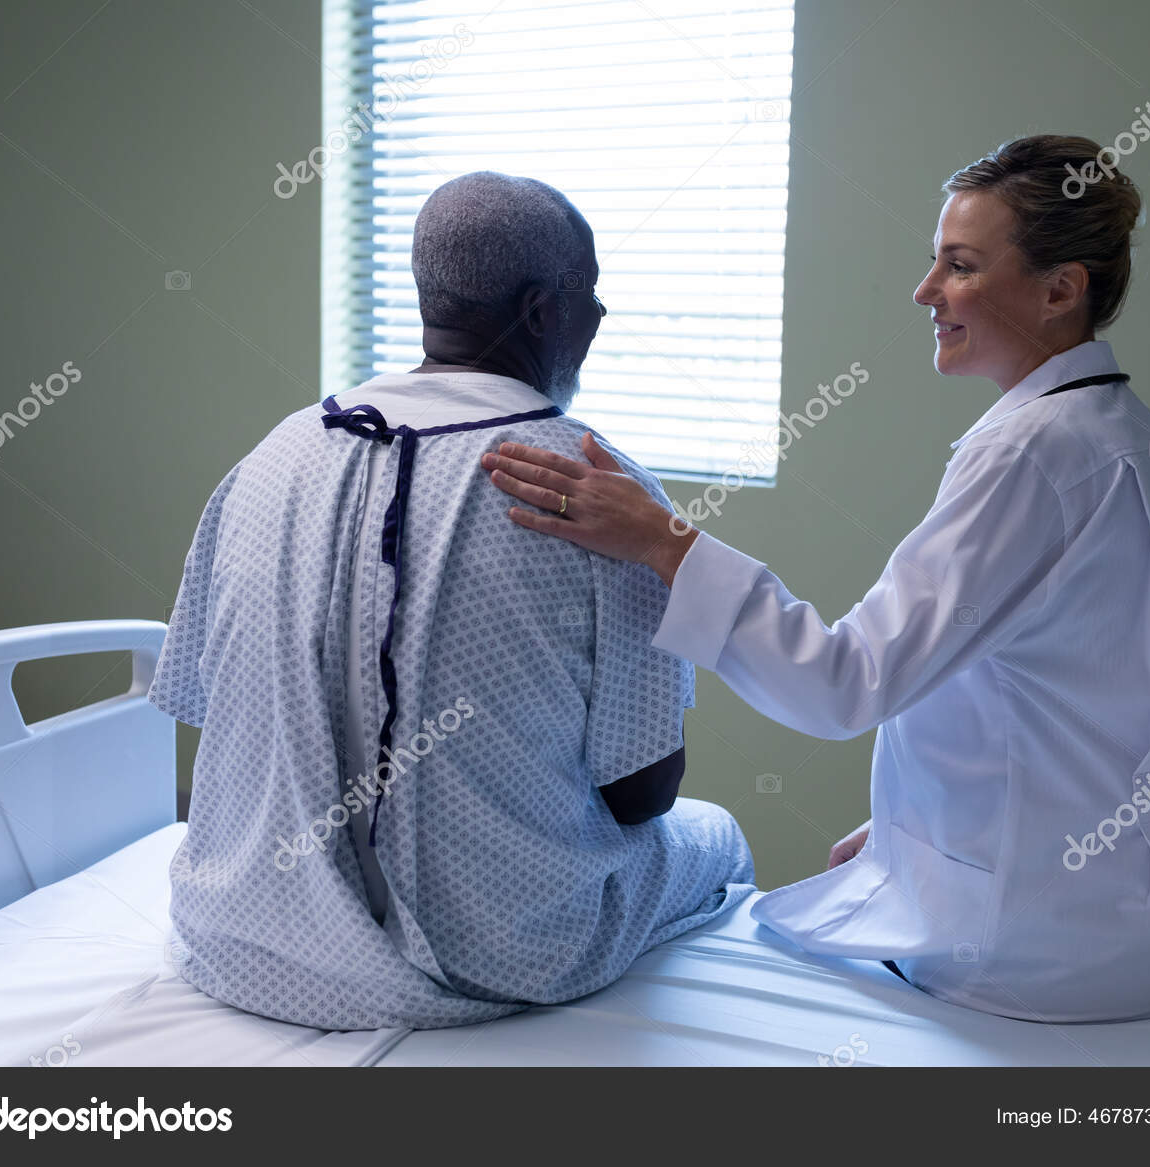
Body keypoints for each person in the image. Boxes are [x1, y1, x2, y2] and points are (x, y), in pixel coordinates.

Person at [480, 136, 1150, 1023]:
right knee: (844, 874)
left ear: (1061, 289)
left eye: (960, 265)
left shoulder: (1035, 455)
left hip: (1067, 951)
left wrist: (664, 542)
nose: (926, 290)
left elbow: (844, 685)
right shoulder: (1137, 441)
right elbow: (1137, 700)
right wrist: (916, 830)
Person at [149, 171, 754, 1032]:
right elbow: (642, 794)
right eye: (590, 294)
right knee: (715, 832)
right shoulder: (593, 492)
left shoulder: (271, 457)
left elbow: (216, 717)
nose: (602, 317)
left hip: (241, 938)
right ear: (544, 312)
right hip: (502, 955)